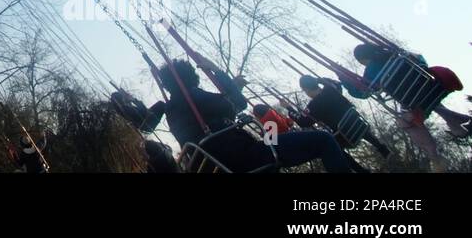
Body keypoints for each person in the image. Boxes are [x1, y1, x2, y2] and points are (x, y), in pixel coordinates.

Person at [153, 60, 361, 174]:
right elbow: (237, 104)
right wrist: (216, 71)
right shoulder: (192, 96)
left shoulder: (172, 112)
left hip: (218, 166)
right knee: (323, 140)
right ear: (190, 77)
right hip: (245, 157)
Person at [299, 75, 390, 156]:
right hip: (359, 125)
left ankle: (359, 170)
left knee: (331, 147)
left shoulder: (313, 106)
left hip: (344, 136)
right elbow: (337, 83)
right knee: (354, 123)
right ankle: (380, 147)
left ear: (306, 89)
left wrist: (289, 108)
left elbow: (302, 122)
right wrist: (320, 80)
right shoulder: (330, 89)